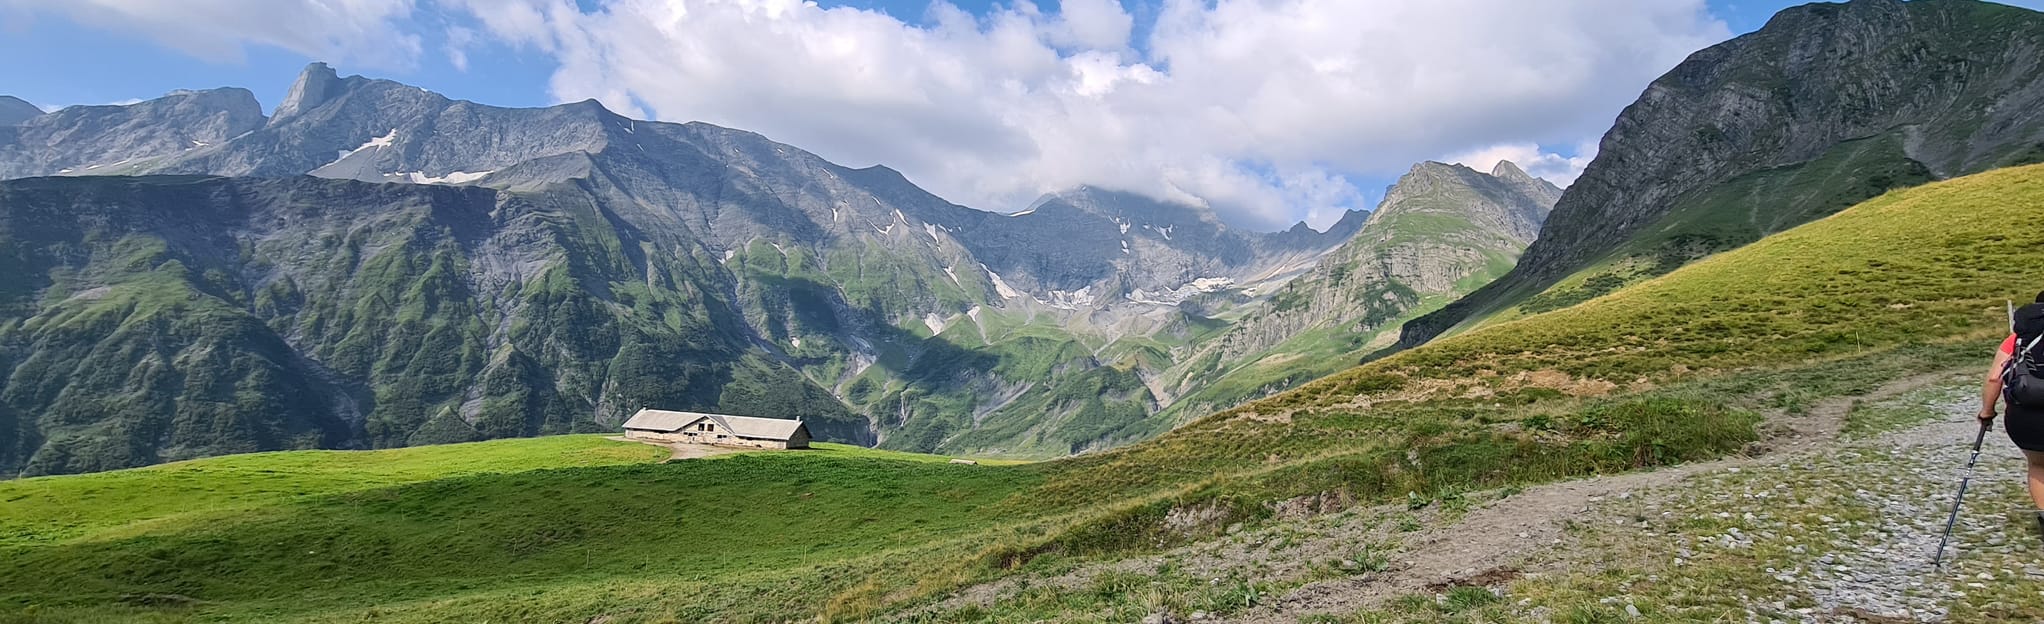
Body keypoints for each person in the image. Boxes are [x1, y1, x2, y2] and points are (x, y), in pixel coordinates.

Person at [1980, 293, 2044, 535]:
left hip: (2025, 416)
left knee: (2038, 465)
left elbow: (1994, 378)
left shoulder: (2018, 338)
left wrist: (1987, 411)